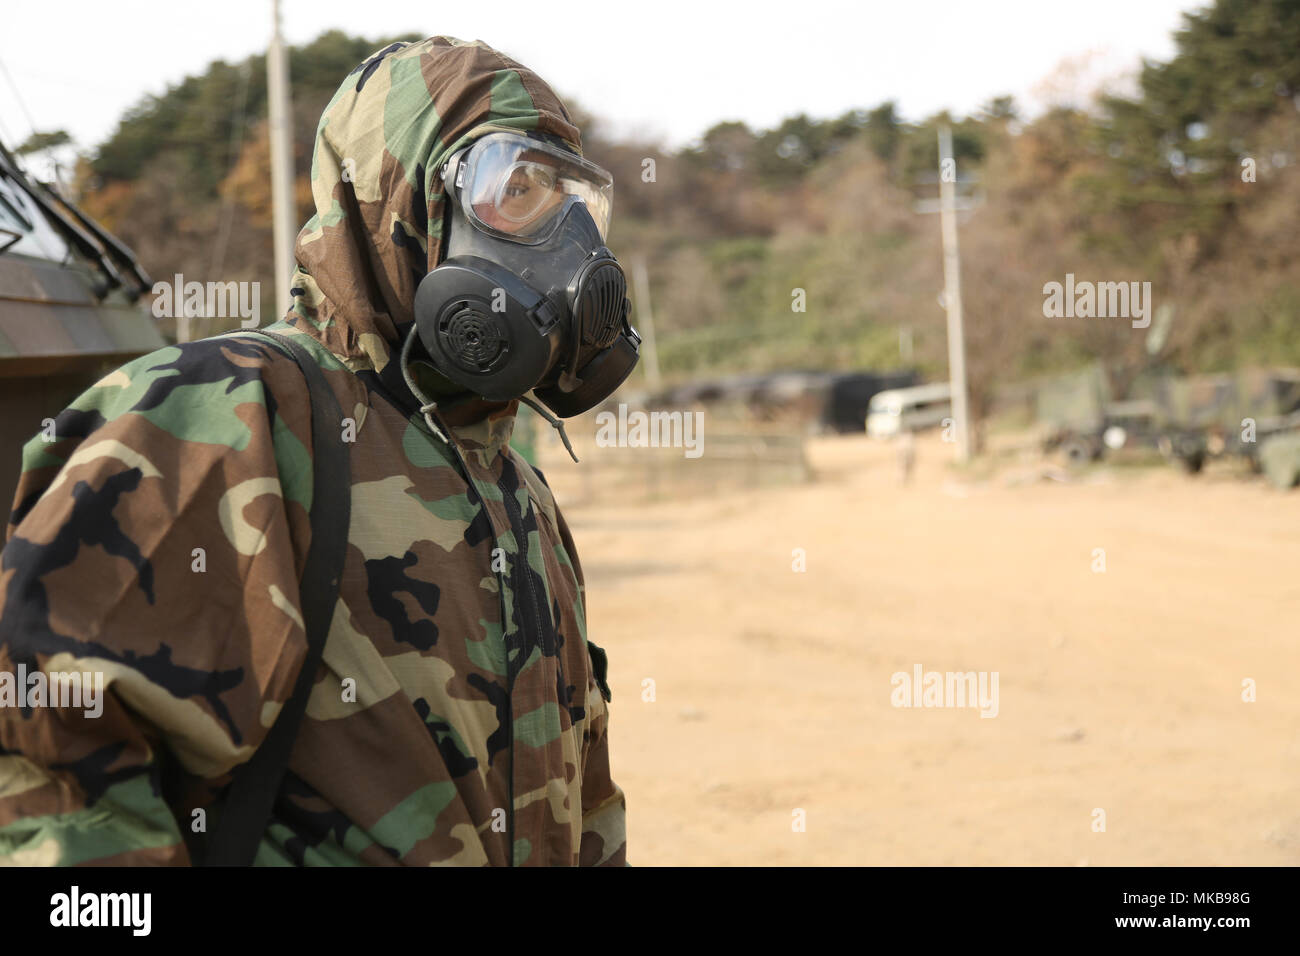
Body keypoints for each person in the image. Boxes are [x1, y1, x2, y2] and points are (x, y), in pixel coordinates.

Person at [0, 36, 632, 866]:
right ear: (399, 202)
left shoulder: (518, 486)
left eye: (573, 201)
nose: (564, 239)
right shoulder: (222, 411)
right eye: (516, 189)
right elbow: (48, 772)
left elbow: (585, 796)